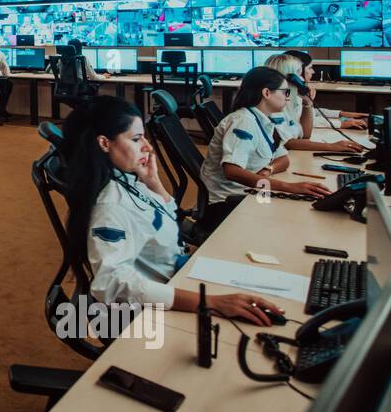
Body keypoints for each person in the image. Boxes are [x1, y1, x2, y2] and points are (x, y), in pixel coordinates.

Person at [62, 96, 283, 326]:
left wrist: (154, 184)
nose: (147, 146)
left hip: (178, 278)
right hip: (157, 309)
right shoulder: (110, 205)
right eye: (137, 139)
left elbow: (167, 221)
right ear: (104, 144)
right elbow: (110, 282)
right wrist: (211, 302)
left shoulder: (129, 180)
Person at [198, 66, 330, 231]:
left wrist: (268, 169)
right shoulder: (243, 121)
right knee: (300, 219)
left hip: (251, 192)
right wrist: (290, 187)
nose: (288, 98)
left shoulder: (264, 121)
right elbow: (232, 171)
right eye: (285, 92)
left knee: (302, 213)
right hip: (229, 203)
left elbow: (284, 159)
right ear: (266, 93)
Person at [264, 53, 366, 153]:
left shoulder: (291, 100)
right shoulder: (275, 105)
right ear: (290, 78)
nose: (302, 79)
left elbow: (305, 135)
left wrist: (307, 103)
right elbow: (288, 142)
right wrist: (332, 146)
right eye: (299, 74)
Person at [281, 49, 366, 129]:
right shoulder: (286, 95)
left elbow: (313, 113)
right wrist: (342, 124)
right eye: (310, 68)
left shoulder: (296, 90)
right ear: (296, 71)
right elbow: (302, 120)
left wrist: (343, 114)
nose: (313, 72)